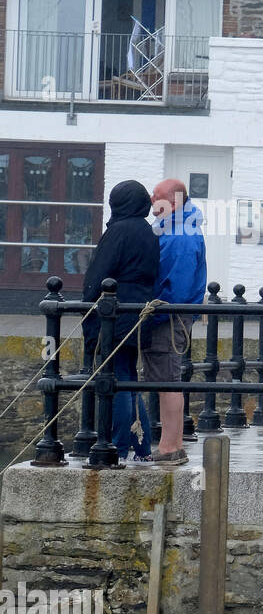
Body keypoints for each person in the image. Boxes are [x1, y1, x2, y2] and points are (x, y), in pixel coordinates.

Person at [83, 180, 160, 462]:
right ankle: (141, 448)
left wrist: (87, 307)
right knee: (128, 379)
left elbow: (99, 274)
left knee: (114, 380)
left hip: (115, 314)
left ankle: (115, 445)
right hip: (139, 312)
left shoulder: (118, 231)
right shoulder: (148, 232)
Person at [144, 178, 207, 466]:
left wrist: (153, 313)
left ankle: (170, 446)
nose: (152, 207)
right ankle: (172, 443)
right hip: (171, 316)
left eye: (156, 200)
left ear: (174, 202)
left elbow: (177, 289)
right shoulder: (180, 228)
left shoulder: (180, 235)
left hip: (168, 318)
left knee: (168, 380)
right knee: (167, 378)